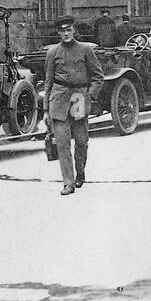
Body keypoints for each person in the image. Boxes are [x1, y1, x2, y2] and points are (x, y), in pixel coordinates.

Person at [43, 16, 104, 195]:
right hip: (59, 99)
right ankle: (68, 183)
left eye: (68, 30)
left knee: (81, 141)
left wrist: (89, 96)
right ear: (58, 32)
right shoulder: (53, 52)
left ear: (74, 30)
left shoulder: (85, 49)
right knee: (62, 144)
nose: (66, 33)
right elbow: (48, 82)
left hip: (79, 97)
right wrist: (46, 110)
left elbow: (98, 76)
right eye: (62, 31)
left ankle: (80, 172)